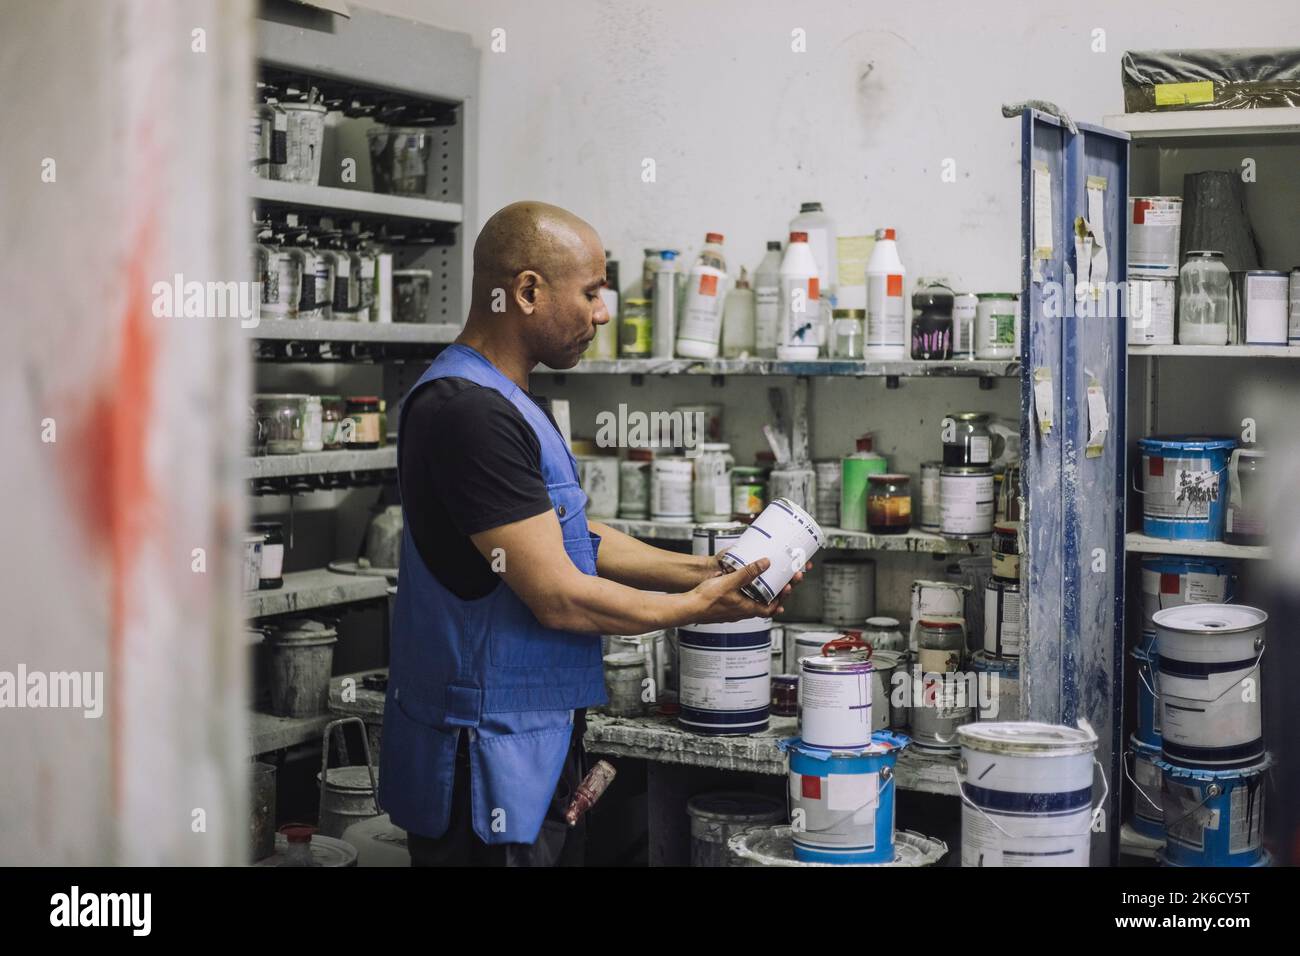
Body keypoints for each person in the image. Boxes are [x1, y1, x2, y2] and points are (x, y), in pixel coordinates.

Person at [379, 201, 805, 866]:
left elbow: (574, 536)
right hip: (481, 763)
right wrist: (696, 609)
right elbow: (558, 595)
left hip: (532, 745)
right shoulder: (467, 412)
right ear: (526, 291)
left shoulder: (508, 400)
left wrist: (711, 570)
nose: (603, 313)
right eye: (590, 293)